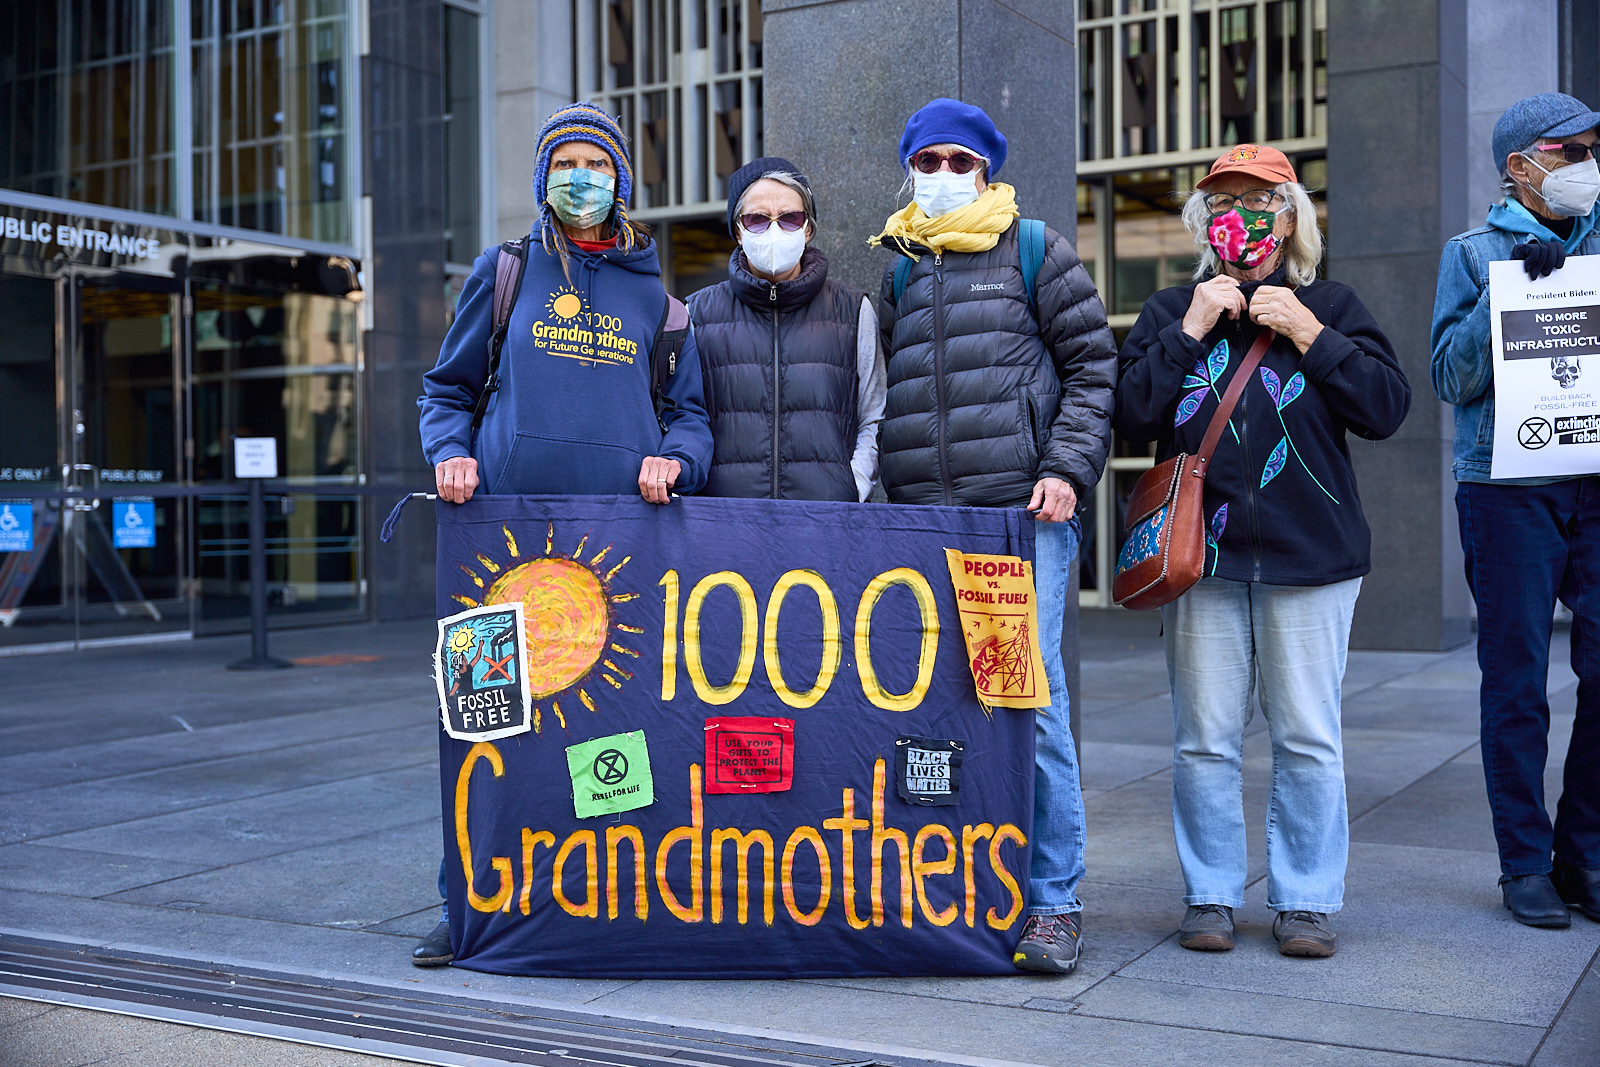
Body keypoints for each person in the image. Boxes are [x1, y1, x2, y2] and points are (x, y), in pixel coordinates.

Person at [412, 101, 713, 965]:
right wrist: (451, 454)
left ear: (622, 179)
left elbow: (691, 420)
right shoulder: (504, 272)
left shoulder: (659, 300)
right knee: (485, 733)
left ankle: (596, 899)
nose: (580, 177)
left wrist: (676, 464)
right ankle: (464, 900)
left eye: (597, 163)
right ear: (544, 177)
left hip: (619, 556)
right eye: (564, 162)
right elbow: (447, 391)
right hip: (497, 549)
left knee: (607, 730)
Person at [1114, 144, 1409, 958]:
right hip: (1199, 561)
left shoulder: (1335, 304)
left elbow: (1387, 408)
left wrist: (1310, 332)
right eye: (1221, 200)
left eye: (1256, 198)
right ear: (1203, 222)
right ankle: (1209, 895)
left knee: (1309, 735)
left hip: (1311, 558)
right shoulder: (1174, 306)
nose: (1236, 213)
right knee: (1203, 736)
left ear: (1290, 216)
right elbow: (1130, 414)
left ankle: (1305, 900)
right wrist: (1191, 329)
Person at [871, 98, 1116, 974]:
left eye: (959, 162)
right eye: (927, 161)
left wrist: (1064, 469)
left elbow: (1093, 364)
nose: (943, 176)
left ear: (988, 169)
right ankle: (962, 883)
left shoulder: (1033, 248)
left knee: (1027, 703)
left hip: (1016, 522)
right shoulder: (899, 265)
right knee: (932, 702)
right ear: (909, 168)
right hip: (919, 524)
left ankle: (1053, 902)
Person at [1431, 92, 1600, 929]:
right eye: (1569, 152)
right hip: (1508, 487)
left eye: (1592, 150)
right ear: (1520, 165)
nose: (1585, 166)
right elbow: (1449, 381)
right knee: (1518, 680)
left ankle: (1586, 853)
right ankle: (1526, 863)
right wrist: (1507, 300)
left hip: (1596, 480)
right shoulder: (1472, 253)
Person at [687, 156, 886, 500]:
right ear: (738, 231)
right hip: (724, 524)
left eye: (790, 218)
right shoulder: (696, 313)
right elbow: (682, 416)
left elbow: (875, 416)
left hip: (826, 520)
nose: (775, 229)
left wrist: (853, 486)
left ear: (808, 228)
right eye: (757, 219)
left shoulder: (853, 310)